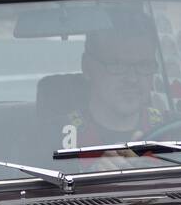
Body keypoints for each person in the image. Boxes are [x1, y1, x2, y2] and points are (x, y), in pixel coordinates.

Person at [62, 13, 167, 164]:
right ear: (87, 67)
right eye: (117, 65)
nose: (132, 78)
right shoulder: (50, 140)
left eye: (143, 65)